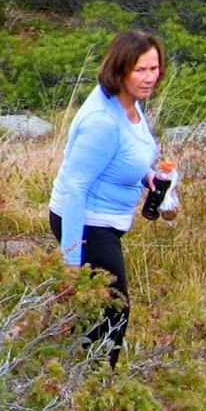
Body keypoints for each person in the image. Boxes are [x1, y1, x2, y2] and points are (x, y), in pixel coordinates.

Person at [49, 30, 173, 368]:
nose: (149, 78)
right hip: (86, 222)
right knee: (113, 311)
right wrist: (71, 262)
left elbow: (121, 157)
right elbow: (76, 187)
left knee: (95, 311)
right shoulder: (102, 121)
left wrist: (147, 177)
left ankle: (72, 375)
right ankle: (94, 383)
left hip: (103, 222)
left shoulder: (128, 103)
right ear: (119, 70)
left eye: (154, 68)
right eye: (140, 70)